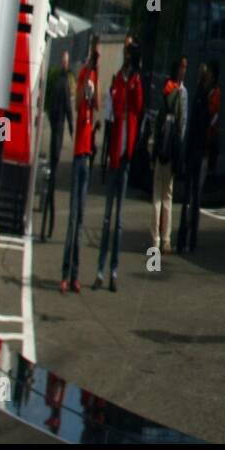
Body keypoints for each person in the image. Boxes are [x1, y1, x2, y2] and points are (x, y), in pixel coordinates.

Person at [94, 40, 144, 292]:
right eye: (125, 52)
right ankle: (101, 270)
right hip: (114, 154)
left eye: (129, 53)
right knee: (106, 218)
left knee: (119, 220)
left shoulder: (135, 81)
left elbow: (138, 106)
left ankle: (113, 270)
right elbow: (110, 111)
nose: (126, 56)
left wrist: (135, 76)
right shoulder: (117, 80)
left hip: (125, 155)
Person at [61, 44, 98, 294]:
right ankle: (65, 273)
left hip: (86, 155)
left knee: (81, 218)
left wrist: (93, 91)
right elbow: (79, 106)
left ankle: (75, 273)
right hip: (77, 155)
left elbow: (94, 108)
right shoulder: (84, 75)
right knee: (72, 220)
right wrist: (86, 81)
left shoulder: (94, 77)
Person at [152, 56, 188, 254]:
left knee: (158, 194)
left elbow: (158, 120)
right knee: (167, 195)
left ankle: (155, 238)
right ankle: (165, 238)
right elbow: (182, 126)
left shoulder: (165, 90)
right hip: (172, 150)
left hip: (161, 149)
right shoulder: (181, 94)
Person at [177, 62, 212, 255]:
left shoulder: (198, 96)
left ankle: (184, 238)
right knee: (195, 197)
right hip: (201, 152)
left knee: (188, 197)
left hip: (194, 153)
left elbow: (192, 128)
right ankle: (191, 239)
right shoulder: (207, 97)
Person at [41, 49, 74, 242]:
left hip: (56, 128)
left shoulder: (57, 83)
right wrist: (70, 126)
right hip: (58, 130)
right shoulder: (65, 84)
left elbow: (53, 107)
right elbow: (67, 109)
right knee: (53, 170)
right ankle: (49, 226)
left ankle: (48, 225)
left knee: (52, 173)